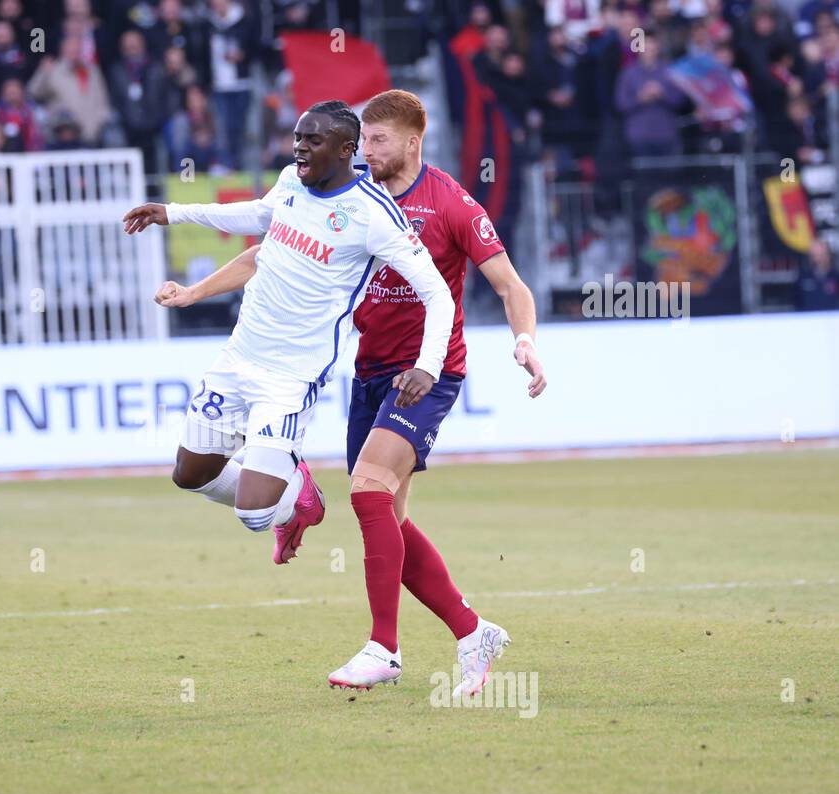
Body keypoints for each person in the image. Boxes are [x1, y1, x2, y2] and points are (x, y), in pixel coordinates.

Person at [151, 90, 547, 696]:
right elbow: (267, 245)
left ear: (412, 142)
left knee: (366, 495)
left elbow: (509, 284)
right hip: (370, 370)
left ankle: (383, 649)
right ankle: (472, 632)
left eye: (378, 141)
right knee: (388, 518)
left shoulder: (449, 205)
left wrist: (524, 342)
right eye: (361, 140)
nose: (367, 149)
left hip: (425, 374)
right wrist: (188, 264)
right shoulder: (330, 190)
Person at [122, 99, 454, 576]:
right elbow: (257, 215)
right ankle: (284, 486)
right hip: (238, 358)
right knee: (189, 475)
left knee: (255, 513)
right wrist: (172, 213)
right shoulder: (290, 182)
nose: (299, 148)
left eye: (311, 140)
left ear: (345, 149)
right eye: (297, 138)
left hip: (290, 377)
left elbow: (437, 294)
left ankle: (301, 494)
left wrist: (427, 365)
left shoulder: (373, 214)